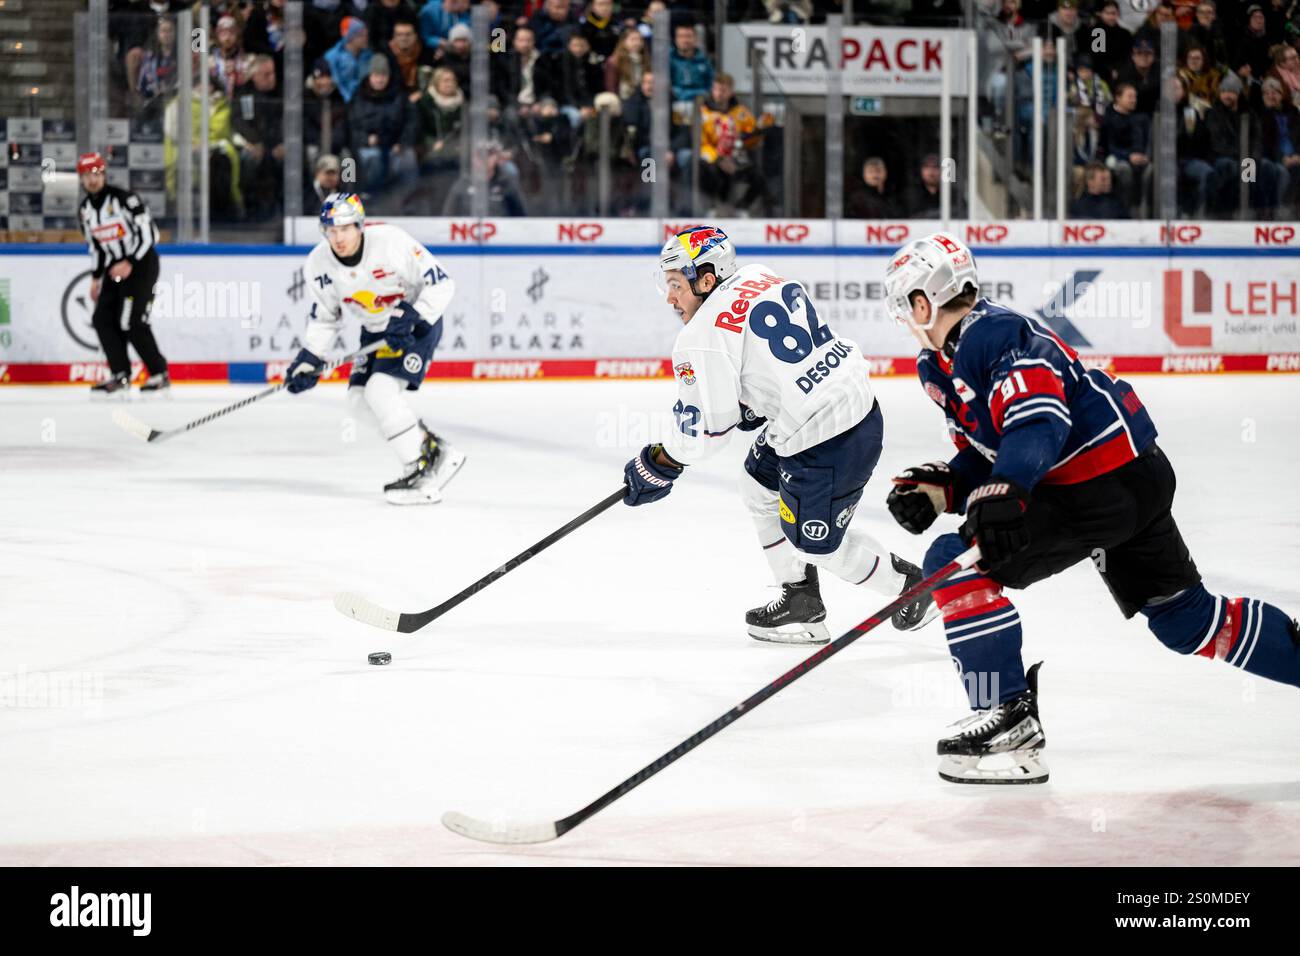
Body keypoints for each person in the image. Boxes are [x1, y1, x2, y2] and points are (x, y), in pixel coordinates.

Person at [881, 232, 1300, 785]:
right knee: (1185, 619)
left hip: (1094, 487)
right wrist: (941, 490)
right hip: (1132, 474)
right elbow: (992, 450)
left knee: (950, 562)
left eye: (903, 307)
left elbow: (1038, 419)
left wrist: (1006, 490)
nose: (904, 320)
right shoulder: (943, 364)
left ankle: (1008, 725)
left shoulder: (992, 334)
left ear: (921, 302)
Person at [620, 226, 937, 646]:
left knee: (816, 546)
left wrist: (661, 462)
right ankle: (800, 600)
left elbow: (708, 432)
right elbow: (770, 363)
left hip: (825, 439)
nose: (670, 297)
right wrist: (751, 403)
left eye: (676, 285)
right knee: (756, 486)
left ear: (707, 279)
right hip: (846, 406)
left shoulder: (700, 339)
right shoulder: (760, 275)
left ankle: (914, 590)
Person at [286, 193, 465, 504]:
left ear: (360, 226)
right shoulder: (318, 264)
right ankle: (433, 450)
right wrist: (310, 358)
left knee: (380, 390)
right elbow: (326, 316)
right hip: (375, 332)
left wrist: (413, 314)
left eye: (345, 228)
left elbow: (442, 283)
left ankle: (421, 472)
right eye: (331, 230)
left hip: (414, 326)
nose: (338, 237)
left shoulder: (391, 242)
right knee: (357, 402)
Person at [76, 152, 170, 397]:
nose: (92, 180)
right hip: (115, 267)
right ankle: (120, 374)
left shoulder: (124, 199)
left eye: (96, 174)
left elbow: (151, 235)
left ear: (104, 174)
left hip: (141, 263)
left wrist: (130, 261)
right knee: (102, 318)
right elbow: (95, 246)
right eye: (86, 176)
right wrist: (96, 278)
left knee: (131, 321)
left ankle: (159, 374)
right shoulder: (85, 210)